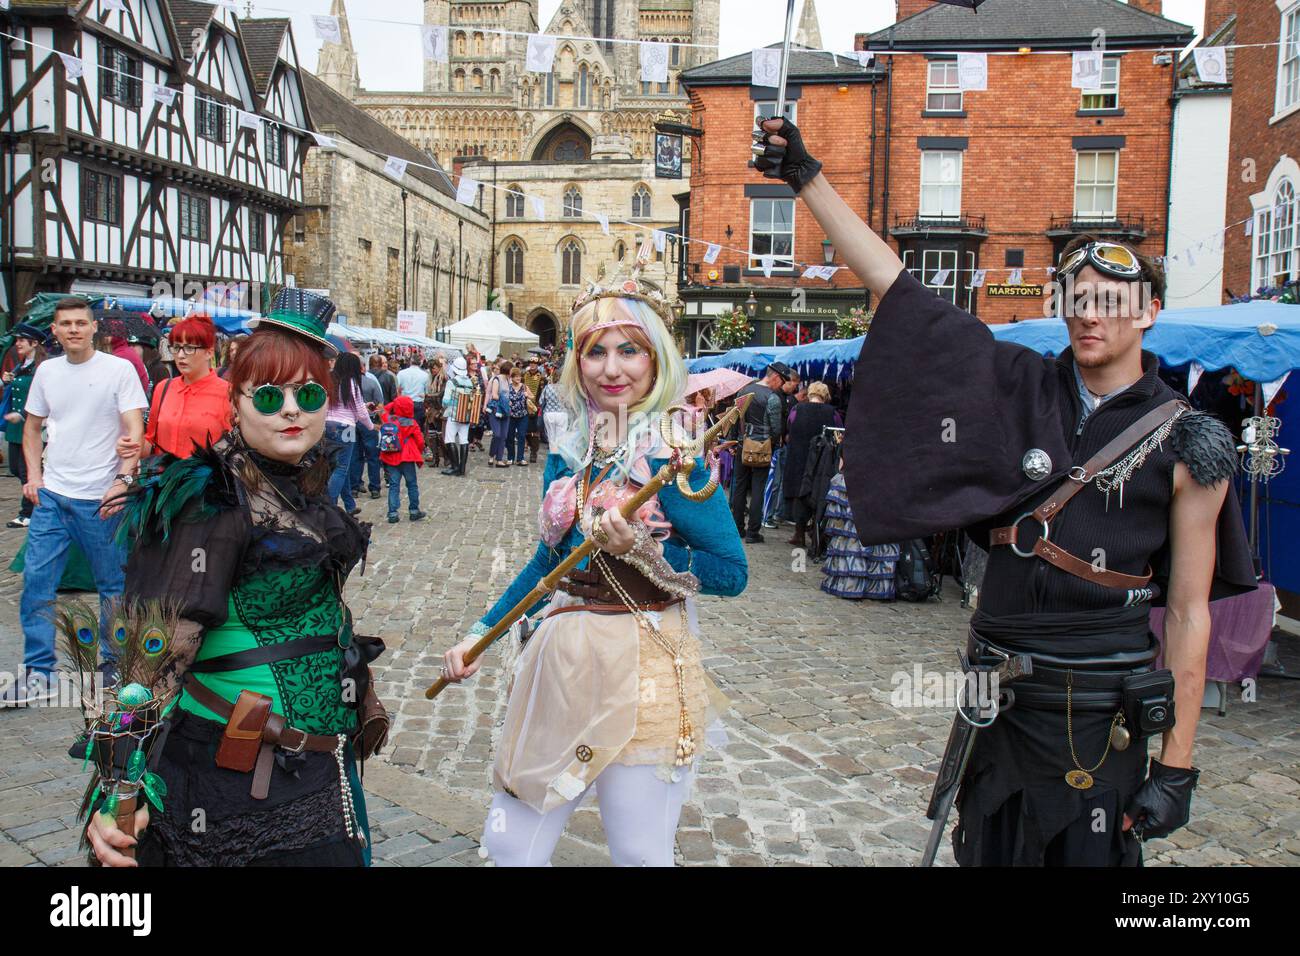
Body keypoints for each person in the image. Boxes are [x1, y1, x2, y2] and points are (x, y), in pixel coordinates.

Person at [752, 117, 1255, 865]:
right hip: (1000, 698)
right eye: (1077, 297)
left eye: (1111, 300)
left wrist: (1176, 765)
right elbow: (898, 288)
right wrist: (807, 179)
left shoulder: (1188, 441)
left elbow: (1185, 613)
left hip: (1099, 710)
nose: (1089, 312)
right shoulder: (1018, 383)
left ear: (1149, 313)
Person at [440, 252, 747, 866]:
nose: (611, 369)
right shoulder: (570, 453)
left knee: (638, 850)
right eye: (594, 351)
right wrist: (479, 633)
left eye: (628, 350)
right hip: (560, 661)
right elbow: (544, 561)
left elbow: (731, 572)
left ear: (656, 358)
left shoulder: (676, 455)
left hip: (645, 664)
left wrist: (643, 546)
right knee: (509, 841)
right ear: (575, 361)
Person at [85, 288, 384, 867]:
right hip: (238, 782)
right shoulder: (212, 500)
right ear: (237, 404)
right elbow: (150, 657)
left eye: (309, 393)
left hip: (319, 768)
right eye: (270, 395)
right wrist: (119, 790)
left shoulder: (295, 484)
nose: (291, 409)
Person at [8, 299, 147, 706]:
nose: (73, 329)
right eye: (66, 323)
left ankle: (114, 663)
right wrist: (34, 478)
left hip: (100, 498)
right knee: (37, 584)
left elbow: (134, 427)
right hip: (53, 496)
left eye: (80, 323)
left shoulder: (117, 370)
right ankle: (38, 672)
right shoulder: (46, 372)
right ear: (55, 330)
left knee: (113, 586)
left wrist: (122, 479)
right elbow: (33, 428)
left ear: (92, 328)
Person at [125, 315, 230, 459]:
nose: (180, 355)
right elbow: (150, 441)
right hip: (161, 479)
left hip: (206, 480)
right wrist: (130, 445)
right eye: (176, 347)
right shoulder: (164, 388)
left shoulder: (227, 393)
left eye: (188, 348)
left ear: (209, 352)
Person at [729, 361, 790, 544]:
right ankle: (752, 532)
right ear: (776, 377)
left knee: (739, 486)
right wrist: (771, 443)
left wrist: (734, 441)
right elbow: (776, 429)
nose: (783, 384)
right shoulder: (773, 398)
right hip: (762, 448)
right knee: (758, 489)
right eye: (783, 380)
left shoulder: (744, 390)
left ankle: (738, 527)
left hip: (742, 444)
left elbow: (734, 417)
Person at [783, 381, 842, 550]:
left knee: (800, 494)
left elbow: (789, 427)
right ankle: (818, 534)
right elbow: (839, 434)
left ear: (810, 394)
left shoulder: (797, 410)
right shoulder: (833, 413)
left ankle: (799, 533)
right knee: (819, 492)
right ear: (825, 396)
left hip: (798, 457)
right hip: (822, 460)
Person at [4, 324, 47, 529]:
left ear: (34, 343)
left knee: (27, 470)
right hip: (14, 427)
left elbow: (42, 399)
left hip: (29, 423)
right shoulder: (20, 365)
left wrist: (21, 414)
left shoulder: (41, 367)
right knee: (14, 467)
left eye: (22, 340)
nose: (18, 344)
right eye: (17, 340)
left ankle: (28, 512)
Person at [325, 352, 375, 515]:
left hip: (328, 425)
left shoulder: (330, 379)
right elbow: (359, 410)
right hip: (346, 427)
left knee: (339, 467)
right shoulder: (351, 382)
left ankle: (349, 504)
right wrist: (370, 426)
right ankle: (329, 505)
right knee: (341, 467)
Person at [379, 395, 426, 524]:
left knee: (394, 485)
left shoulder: (388, 419)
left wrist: (394, 403)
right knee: (412, 484)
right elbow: (420, 441)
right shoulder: (412, 423)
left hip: (391, 457)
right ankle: (414, 511)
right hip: (407, 457)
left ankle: (393, 513)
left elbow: (383, 410)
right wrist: (419, 451)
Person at [763, 370, 801, 529]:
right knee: (774, 482)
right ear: (789, 381)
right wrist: (777, 438)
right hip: (775, 446)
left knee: (782, 481)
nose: (796, 388)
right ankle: (767, 516)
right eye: (795, 384)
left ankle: (778, 514)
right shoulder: (775, 397)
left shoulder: (789, 399)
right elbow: (775, 424)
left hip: (783, 446)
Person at [441, 355, 483, 477]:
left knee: (449, 439)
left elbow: (446, 401)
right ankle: (462, 468)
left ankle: (455, 467)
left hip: (453, 414)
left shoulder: (452, 382)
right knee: (464, 440)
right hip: (466, 415)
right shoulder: (470, 382)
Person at [352, 358, 384, 500]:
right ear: (363, 368)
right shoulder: (371, 382)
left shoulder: (346, 384)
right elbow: (379, 406)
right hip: (369, 422)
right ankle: (375, 488)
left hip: (352, 422)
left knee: (355, 455)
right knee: (372, 456)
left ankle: (354, 486)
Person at [424, 356, 448, 467]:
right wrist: (427, 404)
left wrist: (428, 396)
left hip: (440, 410)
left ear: (439, 367)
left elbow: (441, 394)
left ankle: (446, 458)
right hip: (432, 410)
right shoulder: (432, 378)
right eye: (431, 368)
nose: (432, 370)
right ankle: (435, 458)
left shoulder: (443, 378)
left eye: (434, 368)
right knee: (432, 436)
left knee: (440, 436)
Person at [396, 355, 431, 425]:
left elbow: (396, 388)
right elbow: (427, 392)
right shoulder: (425, 375)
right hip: (418, 404)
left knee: (405, 427)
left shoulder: (401, 373)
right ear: (420, 363)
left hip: (404, 403)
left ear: (410, 362)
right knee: (416, 427)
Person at [506, 366, 530, 466]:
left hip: (523, 415)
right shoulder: (508, 387)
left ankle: (520, 458)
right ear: (511, 377)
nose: (518, 378)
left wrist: (527, 395)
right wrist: (507, 402)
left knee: (521, 436)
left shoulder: (524, 387)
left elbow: (531, 396)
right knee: (509, 437)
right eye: (516, 377)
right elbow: (503, 397)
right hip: (511, 415)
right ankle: (510, 457)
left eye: (519, 377)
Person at [523, 359, 545, 462]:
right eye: (531, 363)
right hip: (525, 406)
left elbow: (543, 393)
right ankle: (528, 446)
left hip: (536, 407)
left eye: (535, 364)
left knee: (535, 432)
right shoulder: (524, 375)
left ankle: (533, 452)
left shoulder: (542, 378)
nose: (532, 365)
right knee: (526, 430)